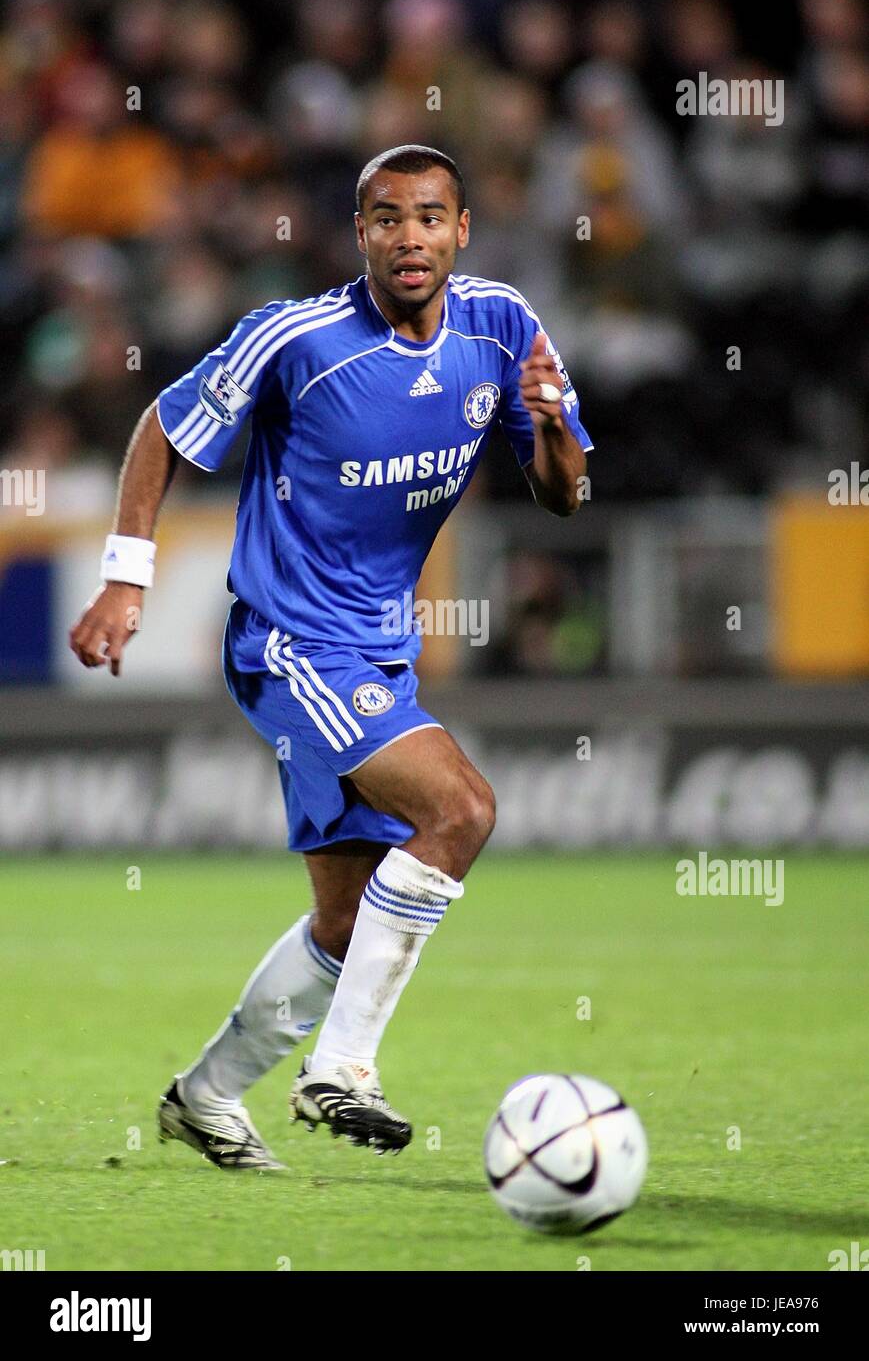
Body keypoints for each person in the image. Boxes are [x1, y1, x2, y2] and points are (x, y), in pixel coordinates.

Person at [69, 145, 593, 1169]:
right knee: (461, 809)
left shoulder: (504, 326)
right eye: (388, 218)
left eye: (430, 217)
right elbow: (161, 429)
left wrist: (550, 433)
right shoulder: (296, 337)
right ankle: (340, 1067)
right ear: (358, 233)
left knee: (346, 923)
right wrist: (126, 577)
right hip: (290, 642)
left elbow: (563, 492)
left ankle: (205, 1096)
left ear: (462, 229)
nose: (410, 238)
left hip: (378, 648)